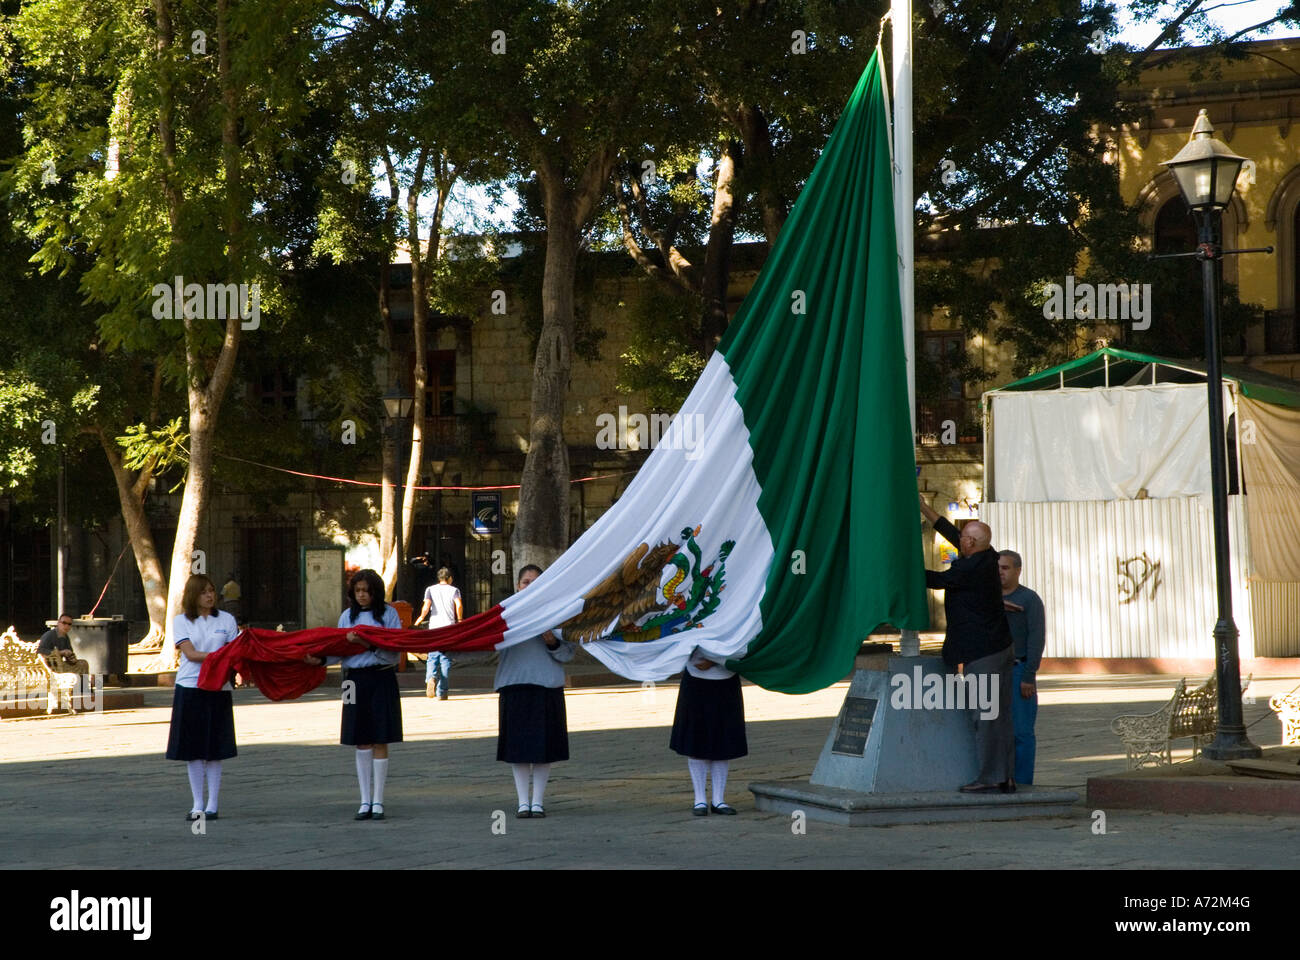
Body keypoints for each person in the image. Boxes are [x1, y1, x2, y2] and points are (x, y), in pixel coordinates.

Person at [919, 495, 1015, 793]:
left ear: (970, 545)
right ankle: (1005, 775)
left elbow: (933, 579)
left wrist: (895, 566)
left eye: (964, 539)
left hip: (982, 652)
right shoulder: (987, 555)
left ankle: (989, 777)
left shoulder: (968, 569)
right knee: (998, 716)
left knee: (984, 716)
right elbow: (952, 533)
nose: (959, 540)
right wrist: (924, 509)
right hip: (998, 647)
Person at [304, 569, 402, 821]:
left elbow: (394, 653)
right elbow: (340, 650)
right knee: (360, 738)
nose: (362, 595)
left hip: (382, 677)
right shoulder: (347, 616)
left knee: (381, 738)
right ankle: (364, 800)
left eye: (366, 591)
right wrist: (320, 660)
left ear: (375, 592)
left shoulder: (389, 615)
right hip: (353, 681)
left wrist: (366, 644)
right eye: (357, 591)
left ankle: (378, 800)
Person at [495, 564, 575, 819]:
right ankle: (522, 802)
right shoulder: (505, 613)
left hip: (546, 687)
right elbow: (488, 643)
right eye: (525, 582)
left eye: (535, 582)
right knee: (518, 749)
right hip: (514, 685)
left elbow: (568, 653)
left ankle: (538, 801)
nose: (529, 586)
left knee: (543, 748)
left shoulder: (556, 613)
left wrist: (552, 641)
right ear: (517, 586)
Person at [165, 575, 240, 821]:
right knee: (194, 749)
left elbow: (236, 651)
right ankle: (197, 803)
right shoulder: (181, 621)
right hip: (190, 686)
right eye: (204, 592)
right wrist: (221, 657)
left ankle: (213, 804)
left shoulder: (227, 620)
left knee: (214, 748)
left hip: (218, 687)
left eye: (212, 590)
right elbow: (191, 653)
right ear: (193, 595)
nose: (209, 595)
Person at [670, 647, 747, 816]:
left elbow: (742, 641)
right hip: (695, 677)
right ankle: (699, 800)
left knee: (722, 739)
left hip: (726, 678)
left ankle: (719, 800)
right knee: (696, 738)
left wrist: (715, 660)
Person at [999, 549, 1046, 786]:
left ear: (1018, 570)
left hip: (1019, 670)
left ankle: (1024, 781)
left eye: (1005, 568)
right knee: (994, 731)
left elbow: (1036, 638)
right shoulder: (988, 598)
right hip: (993, 671)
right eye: (997, 568)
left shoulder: (1029, 599)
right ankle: (999, 778)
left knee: (1021, 731)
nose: (1000, 573)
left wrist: (1029, 675)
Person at [414, 566, 461, 700]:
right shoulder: (454, 590)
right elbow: (458, 605)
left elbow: (426, 606)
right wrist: (460, 619)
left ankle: (431, 677)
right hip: (448, 628)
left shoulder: (430, 589)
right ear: (449, 578)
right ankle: (442, 691)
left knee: (432, 656)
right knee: (446, 659)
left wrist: (420, 619)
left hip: (434, 627)